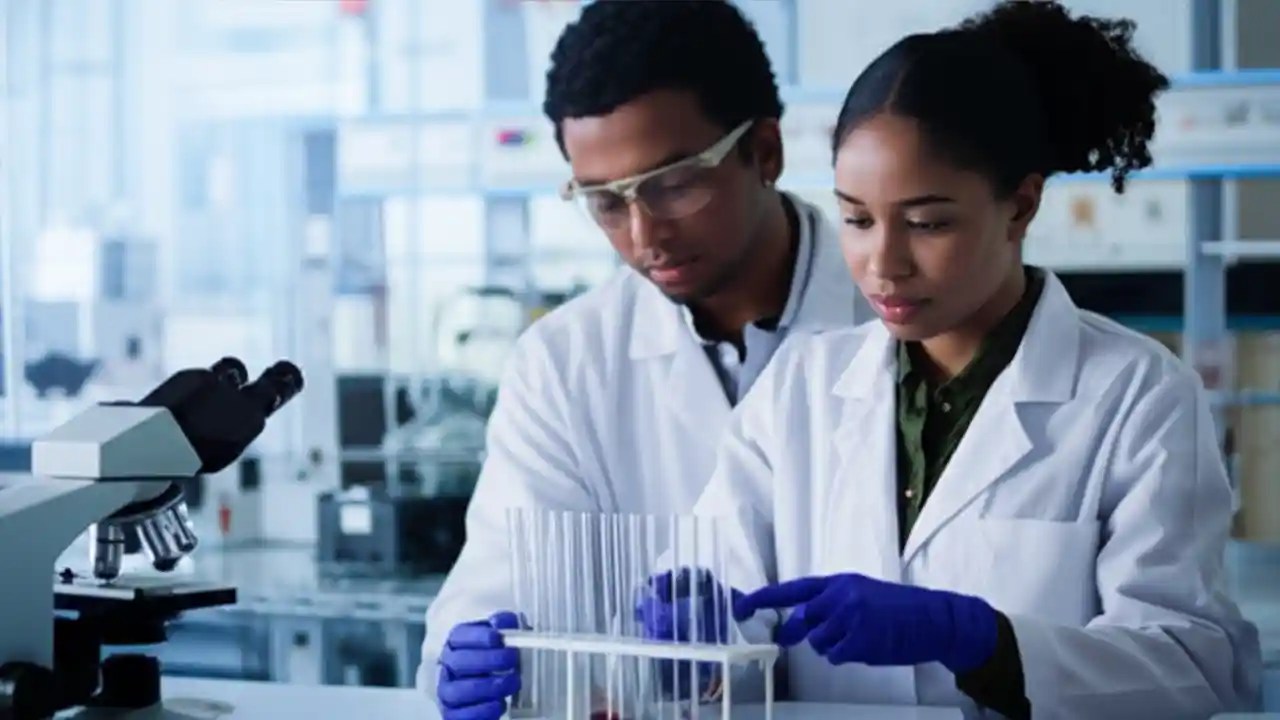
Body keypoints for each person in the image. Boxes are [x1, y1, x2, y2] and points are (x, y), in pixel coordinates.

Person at [651, 2, 1262, 719]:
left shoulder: (1137, 395)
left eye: (927, 223)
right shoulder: (798, 390)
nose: (883, 264)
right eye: (855, 218)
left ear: (1020, 206)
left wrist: (982, 642)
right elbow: (735, 622)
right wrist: (697, 632)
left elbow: (1193, 666)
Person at [420, 1, 864, 716]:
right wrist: (471, 655)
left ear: (767, 152)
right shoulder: (566, 365)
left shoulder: (897, 319)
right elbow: (498, 587)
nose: (642, 234)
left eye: (675, 184)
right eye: (604, 201)